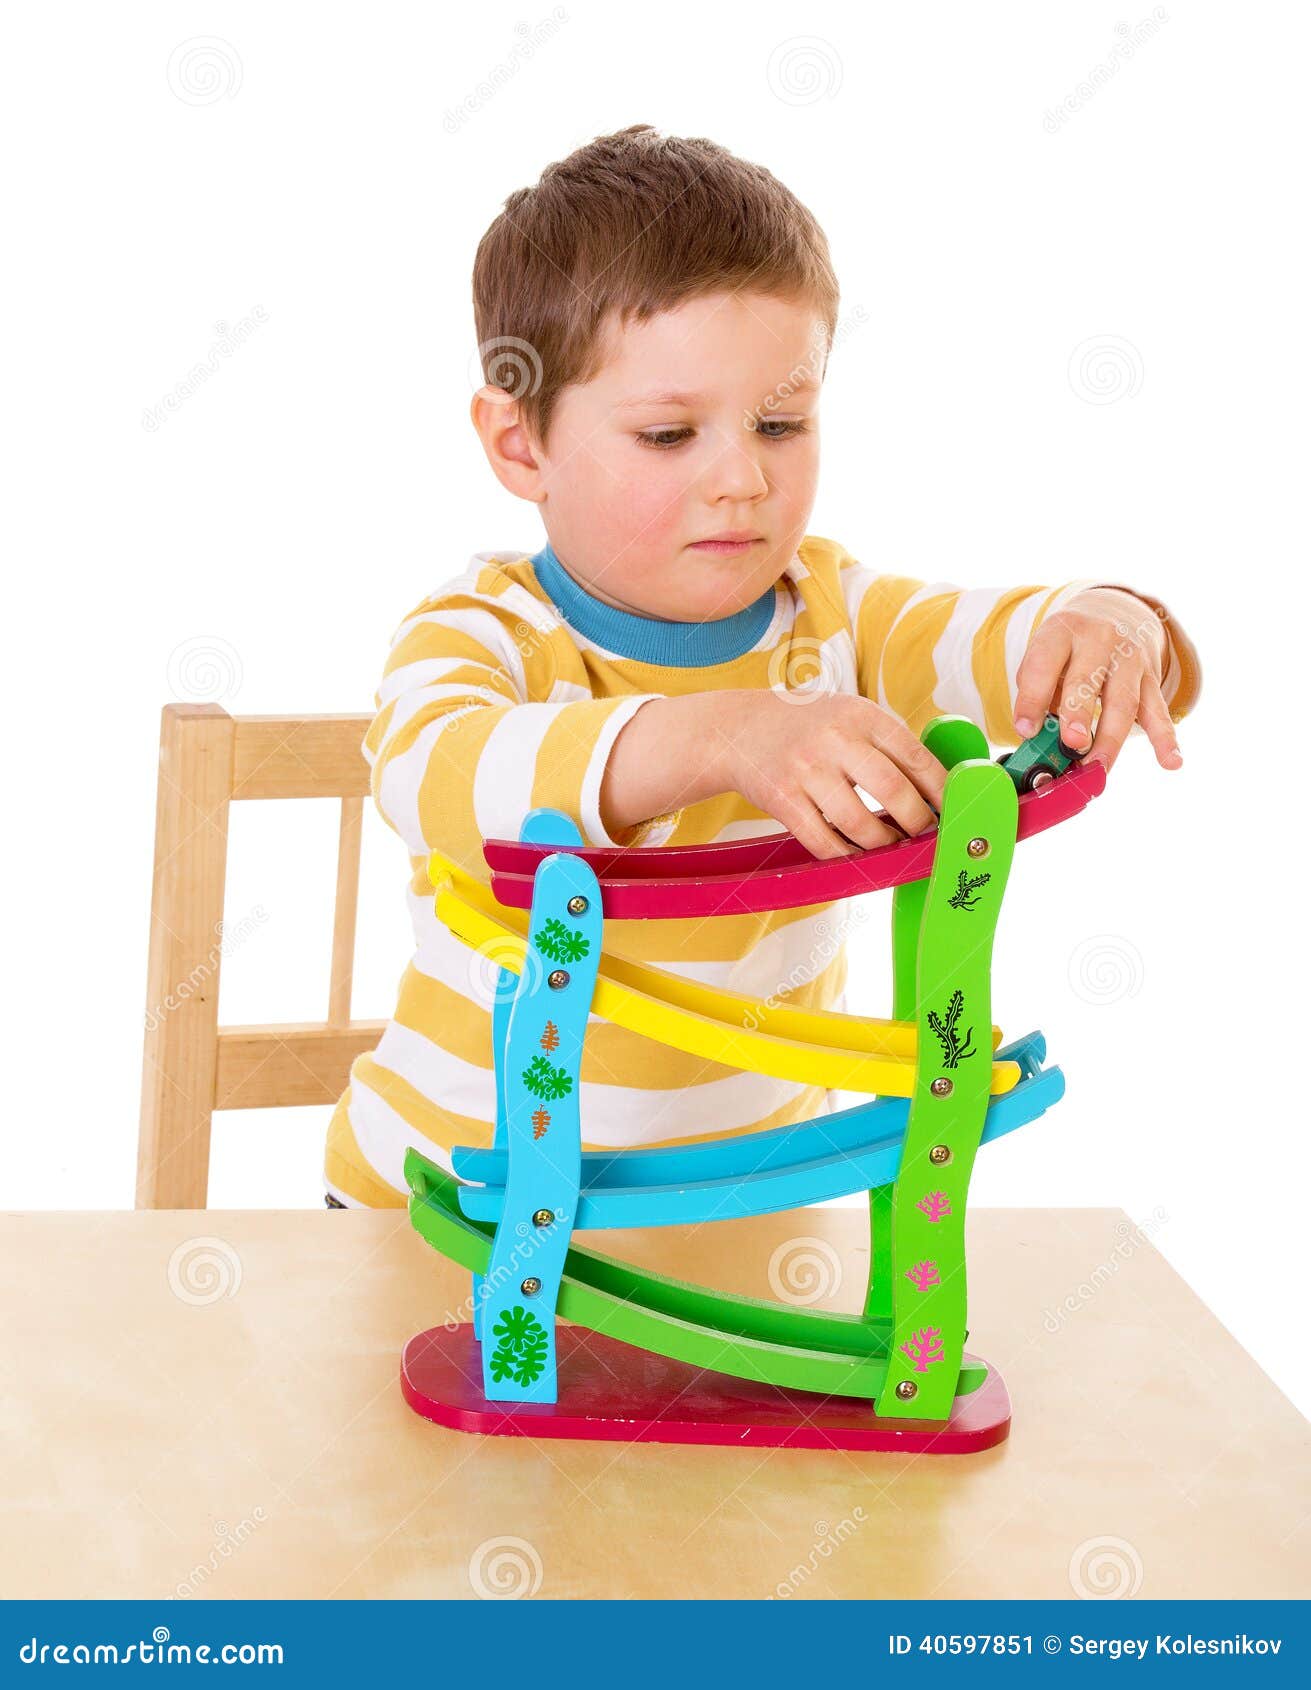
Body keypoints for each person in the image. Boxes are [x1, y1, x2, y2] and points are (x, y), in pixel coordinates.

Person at [323, 124, 1199, 1209]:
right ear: (520, 444)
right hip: (437, 1218)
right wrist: (729, 735)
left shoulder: (838, 615)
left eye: (782, 422)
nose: (742, 478)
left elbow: (993, 637)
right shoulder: (483, 632)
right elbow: (436, 775)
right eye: (666, 435)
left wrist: (1107, 619)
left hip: (745, 1217)